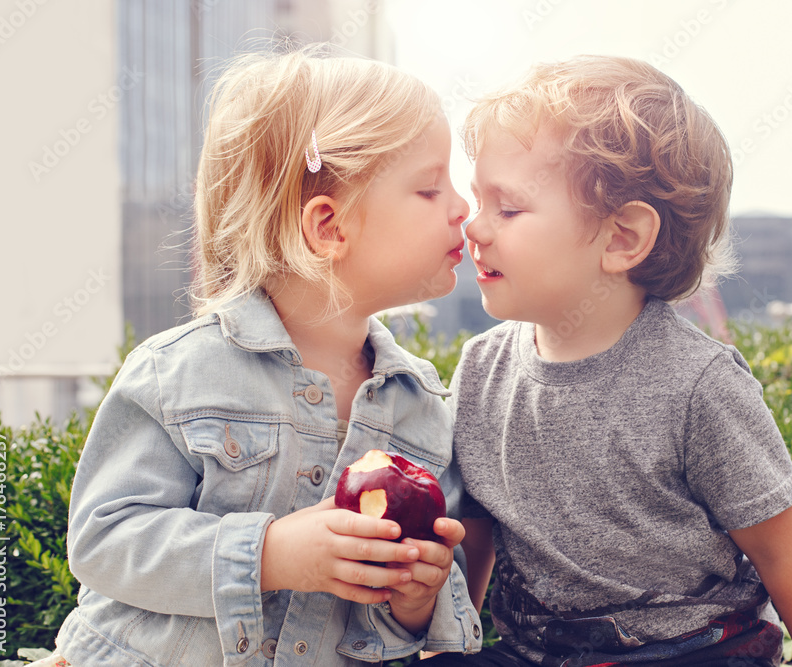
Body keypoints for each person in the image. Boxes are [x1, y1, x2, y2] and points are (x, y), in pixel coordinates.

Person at [40, 45, 482, 666]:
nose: (463, 208)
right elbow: (105, 540)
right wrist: (271, 553)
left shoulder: (423, 410)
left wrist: (416, 595)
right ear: (328, 227)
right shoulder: (180, 373)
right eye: (430, 188)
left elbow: (412, 617)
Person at [426, 56, 792, 667]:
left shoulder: (697, 384)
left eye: (508, 208)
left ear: (622, 238)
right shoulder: (480, 369)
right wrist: (449, 644)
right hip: (537, 654)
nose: (474, 226)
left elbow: (785, 552)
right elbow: (476, 535)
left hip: (692, 651)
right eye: (478, 200)